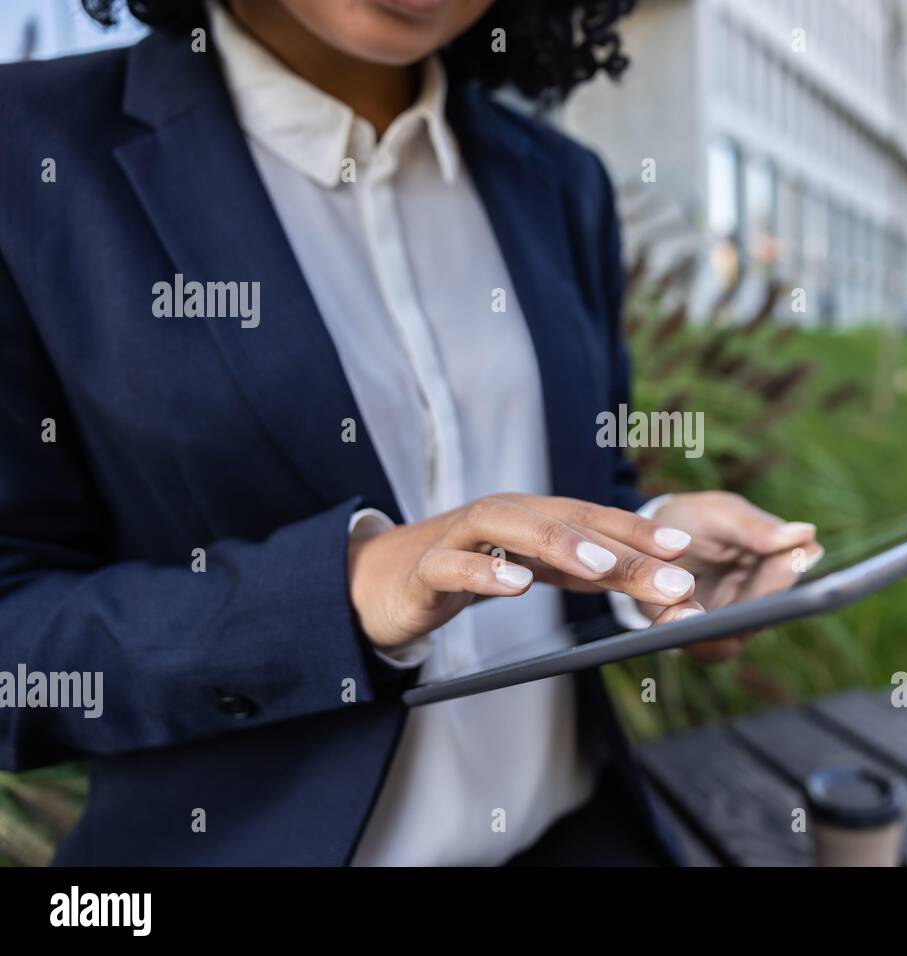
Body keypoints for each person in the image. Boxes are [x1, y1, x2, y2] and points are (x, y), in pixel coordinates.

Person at [0, 0, 818, 865]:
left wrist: (647, 564)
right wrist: (345, 595)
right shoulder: (29, 155)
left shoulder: (559, 180)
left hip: (577, 837)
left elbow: (580, 479)